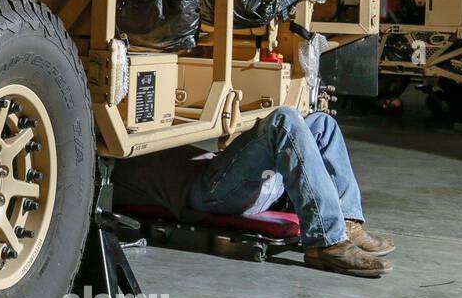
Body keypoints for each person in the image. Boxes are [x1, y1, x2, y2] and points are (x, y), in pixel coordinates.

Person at [112, 106, 395, 277]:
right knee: (283, 119)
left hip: (225, 177)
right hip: (209, 194)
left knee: (323, 123)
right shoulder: (110, 159)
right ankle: (326, 242)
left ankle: (347, 222)